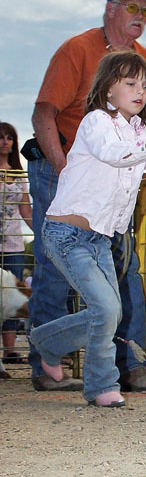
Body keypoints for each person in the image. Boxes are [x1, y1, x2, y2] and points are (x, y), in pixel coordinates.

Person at [29, 51, 146, 407]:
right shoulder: (95, 122)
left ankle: (47, 343)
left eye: (145, 86)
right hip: (66, 234)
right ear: (108, 90)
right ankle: (102, 385)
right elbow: (114, 153)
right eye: (131, 83)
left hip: (99, 240)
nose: (141, 91)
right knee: (105, 309)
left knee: (110, 312)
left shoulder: (139, 132)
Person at [27, 0, 146, 392]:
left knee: (125, 272)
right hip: (64, 164)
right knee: (56, 270)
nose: (140, 16)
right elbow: (43, 114)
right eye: (132, 7)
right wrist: (64, 167)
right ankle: (46, 364)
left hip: (116, 179)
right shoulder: (77, 50)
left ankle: (129, 363)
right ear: (110, 8)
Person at [0, 122, 33, 363]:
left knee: (12, 296)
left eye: (9, 138)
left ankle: (9, 350)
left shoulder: (19, 173)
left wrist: (41, 234)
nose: (5, 142)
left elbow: (25, 209)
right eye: (1, 137)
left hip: (13, 244)